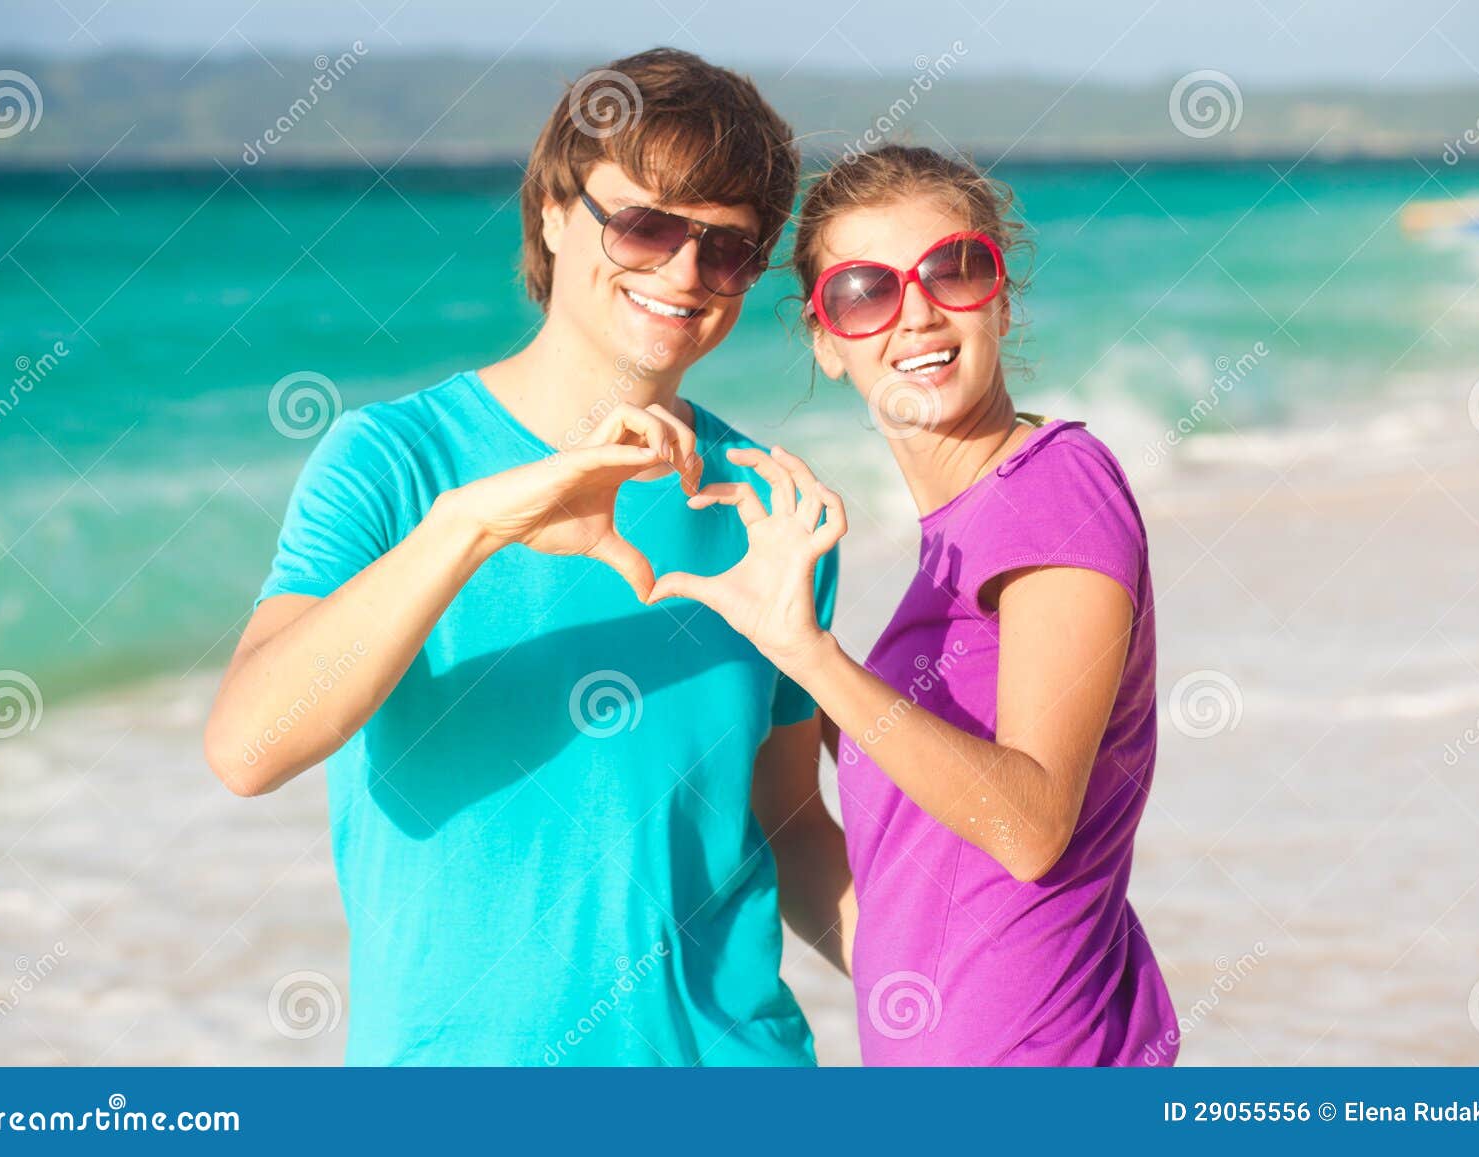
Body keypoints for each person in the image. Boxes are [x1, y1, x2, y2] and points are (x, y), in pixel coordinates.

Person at [203, 48, 854, 1066]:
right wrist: (471, 527)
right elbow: (250, 748)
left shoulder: (767, 505)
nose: (682, 273)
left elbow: (792, 827)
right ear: (553, 212)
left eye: (725, 249)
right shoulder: (394, 462)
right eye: (643, 225)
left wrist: (965, 1000)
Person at [648, 145, 1178, 1065]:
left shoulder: (1055, 488)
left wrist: (811, 656)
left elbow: (1030, 822)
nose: (918, 312)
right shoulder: (953, 546)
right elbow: (898, 870)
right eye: (866, 291)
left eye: (954, 269)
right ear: (826, 337)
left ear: (1000, 296)